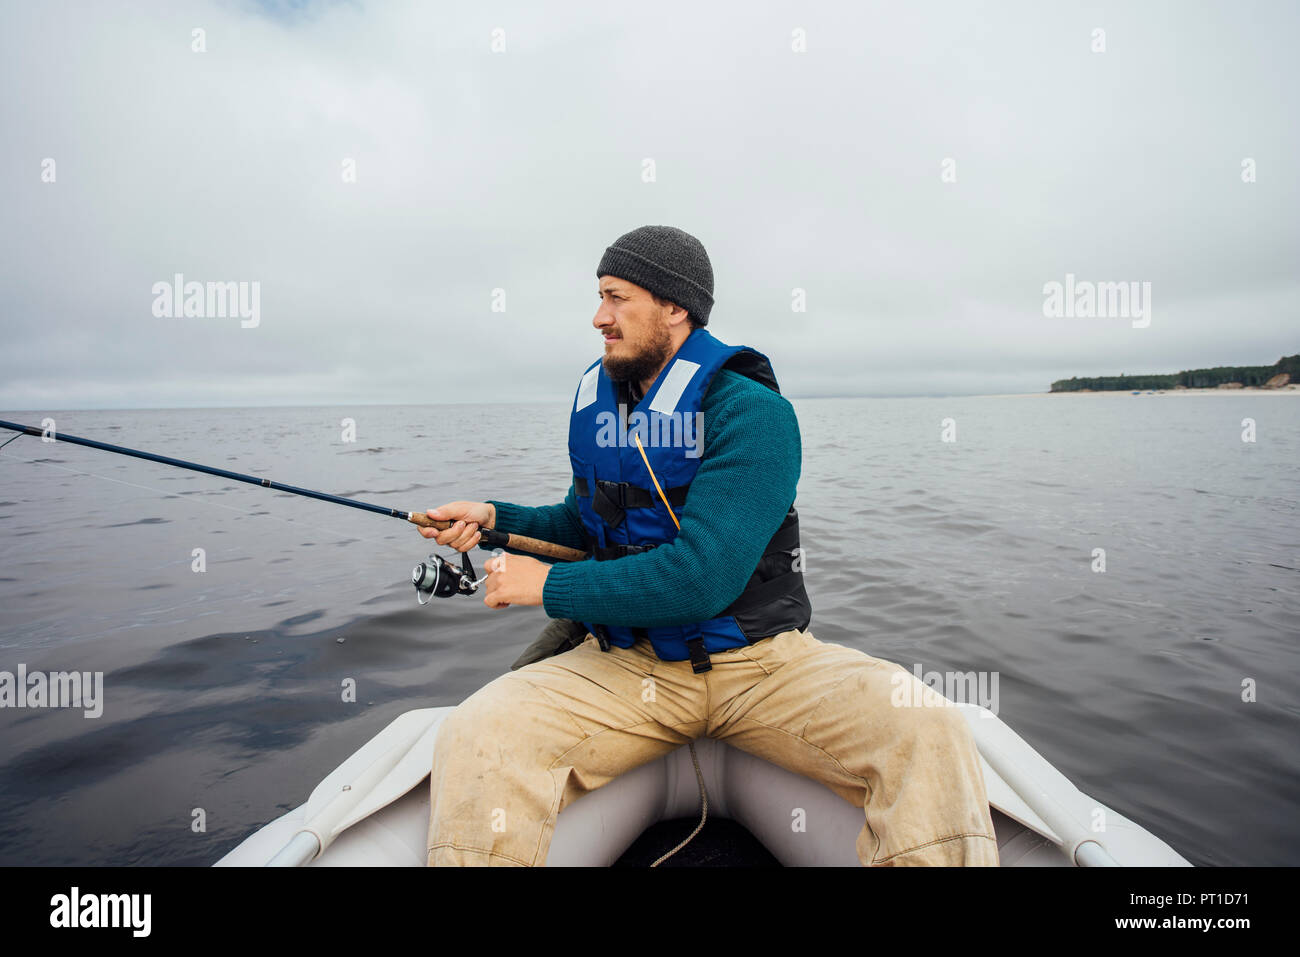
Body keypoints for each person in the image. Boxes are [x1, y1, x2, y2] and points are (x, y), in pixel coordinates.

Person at [421, 225, 999, 866]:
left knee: (926, 727)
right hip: (627, 665)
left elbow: (703, 576)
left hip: (760, 666)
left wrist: (545, 586)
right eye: (599, 297)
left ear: (675, 307)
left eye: (616, 298)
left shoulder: (753, 415)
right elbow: (580, 523)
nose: (598, 318)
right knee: (480, 733)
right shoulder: (606, 404)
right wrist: (493, 517)